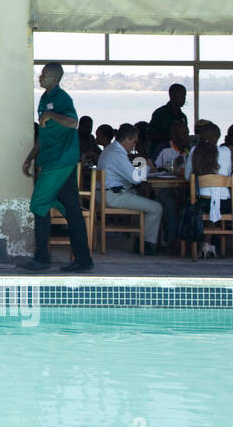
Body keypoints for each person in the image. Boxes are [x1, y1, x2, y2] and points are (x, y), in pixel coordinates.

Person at [22, 63, 94, 272]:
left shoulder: (62, 98)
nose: (40, 77)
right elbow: (44, 135)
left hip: (60, 161)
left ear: (54, 78)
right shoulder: (45, 98)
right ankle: (83, 260)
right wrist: (30, 157)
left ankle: (42, 258)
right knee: (72, 211)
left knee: (39, 203)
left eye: (44, 74)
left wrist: (51, 116)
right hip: (52, 159)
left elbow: (73, 122)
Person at [98, 123, 163, 255]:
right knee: (156, 207)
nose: (134, 145)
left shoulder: (111, 150)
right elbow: (135, 178)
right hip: (113, 196)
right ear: (127, 139)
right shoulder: (117, 154)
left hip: (105, 194)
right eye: (134, 141)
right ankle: (147, 245)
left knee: (144, 201)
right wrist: (148, 166)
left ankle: (140, 241)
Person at [182, 122, 232, 254]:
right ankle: (208, 243)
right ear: (218, 137)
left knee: (186, 203)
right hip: (224, 204)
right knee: (216, 201)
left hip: (201, 203)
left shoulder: (194, 151)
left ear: (199, 137)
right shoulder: (226, 151)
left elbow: (188, 177)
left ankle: (200, 243)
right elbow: (227, 174)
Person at [147, 84, 190, 160]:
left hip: (178, 155)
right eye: (181, 96)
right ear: (172, 96)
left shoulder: (182, 117)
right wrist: (172, 137)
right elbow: (150, 135)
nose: (184, 99)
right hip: (160, 155)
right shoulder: (160, 114)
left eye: (184, 96)